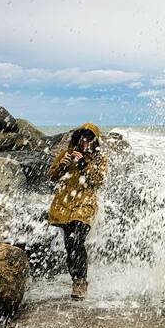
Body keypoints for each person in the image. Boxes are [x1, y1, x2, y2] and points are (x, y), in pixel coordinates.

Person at [48, 123, 109, 300]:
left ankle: (81, 282)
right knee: (70, 245)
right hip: (65, 204)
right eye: (82, 137)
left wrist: (83, 163)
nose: (85, 141)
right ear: (77, 138)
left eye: (89, 138)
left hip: (85, 204)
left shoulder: (98, 159)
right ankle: (76, 278)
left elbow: (98, 180)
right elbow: (52, 177)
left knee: (77, 239)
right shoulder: (65, 154)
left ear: (94, 141)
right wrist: (62, 166)